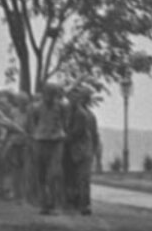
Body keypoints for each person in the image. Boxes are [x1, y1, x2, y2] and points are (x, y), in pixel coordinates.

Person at [27, 82, 68, 215]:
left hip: (56, 142)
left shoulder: (61, 107)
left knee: (54, 174)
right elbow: (32, 123)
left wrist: (61, 133)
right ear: (44, 94)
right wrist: (35, 136)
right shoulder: (36, 107)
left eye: (53, 94)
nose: (50, 97)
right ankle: (44, 204)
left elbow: (65, 122)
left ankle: (54, 204)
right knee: (41, 175)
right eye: (48, 93)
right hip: (40, 141)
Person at [61, 87, 103, 215]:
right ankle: (73, 202)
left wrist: (95, 152)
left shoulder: (85, 115)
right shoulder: (67, 112)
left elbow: (82, 134)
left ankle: (83, 204)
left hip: (82, 149)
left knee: (83, 178)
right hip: (70, 150)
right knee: (71, 178)